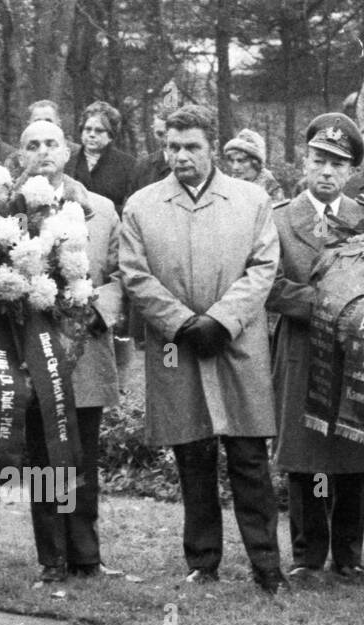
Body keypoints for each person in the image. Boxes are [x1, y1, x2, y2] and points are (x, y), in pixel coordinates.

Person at [120, 104, 287, 593]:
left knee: (249, 456)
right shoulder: (142, 205)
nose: (181, 157)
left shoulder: (250, 199)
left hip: (237, 344)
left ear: (212, 146)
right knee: (191, 454)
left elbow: (263, 267)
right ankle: (203, 560)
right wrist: (180, 321)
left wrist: (223, 319)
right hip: (178, 347)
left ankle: (267, 565)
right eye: (172, 147)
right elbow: (134, 273)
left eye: (192, 146)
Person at [268, 114, 364, 584]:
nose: (327, 171)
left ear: (352, 171)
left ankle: (350, 554)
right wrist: (327, 304)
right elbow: (268, 287)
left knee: (354, 446)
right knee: (306, 451)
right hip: (300, 348)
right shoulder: (278, 219)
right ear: (304, 163)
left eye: (338, 163)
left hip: (356, 352)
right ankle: (308, 554)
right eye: (319, 160)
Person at [18, 119, 124, 580]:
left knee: (83, 455)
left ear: (68, 151)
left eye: (52, 143)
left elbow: (122, 274)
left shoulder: (100, 209)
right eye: (33, 145)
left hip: (86, 346)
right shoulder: (8, 211)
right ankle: (52, 557)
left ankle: (87, 555)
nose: (44, 151)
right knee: (44, 456)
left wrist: (95, 309)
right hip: (33, 351)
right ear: (21, 156)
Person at [65, 101, 137, 215]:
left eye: (99, 130)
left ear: (110, 135)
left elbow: (131, 206)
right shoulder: (68, 161)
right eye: (87, 129)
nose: (92, 134)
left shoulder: (128, 164)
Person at [220, 130, 284, 202]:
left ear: (255, 162)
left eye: (241, 161)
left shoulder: (270, 186)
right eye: (232, 161)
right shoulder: (231, 184)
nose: (235, 167)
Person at [132, 112, 172, 190]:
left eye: (170, 134)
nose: (166, 140)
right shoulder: (142, 166)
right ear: (153, 132)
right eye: (160, 134)